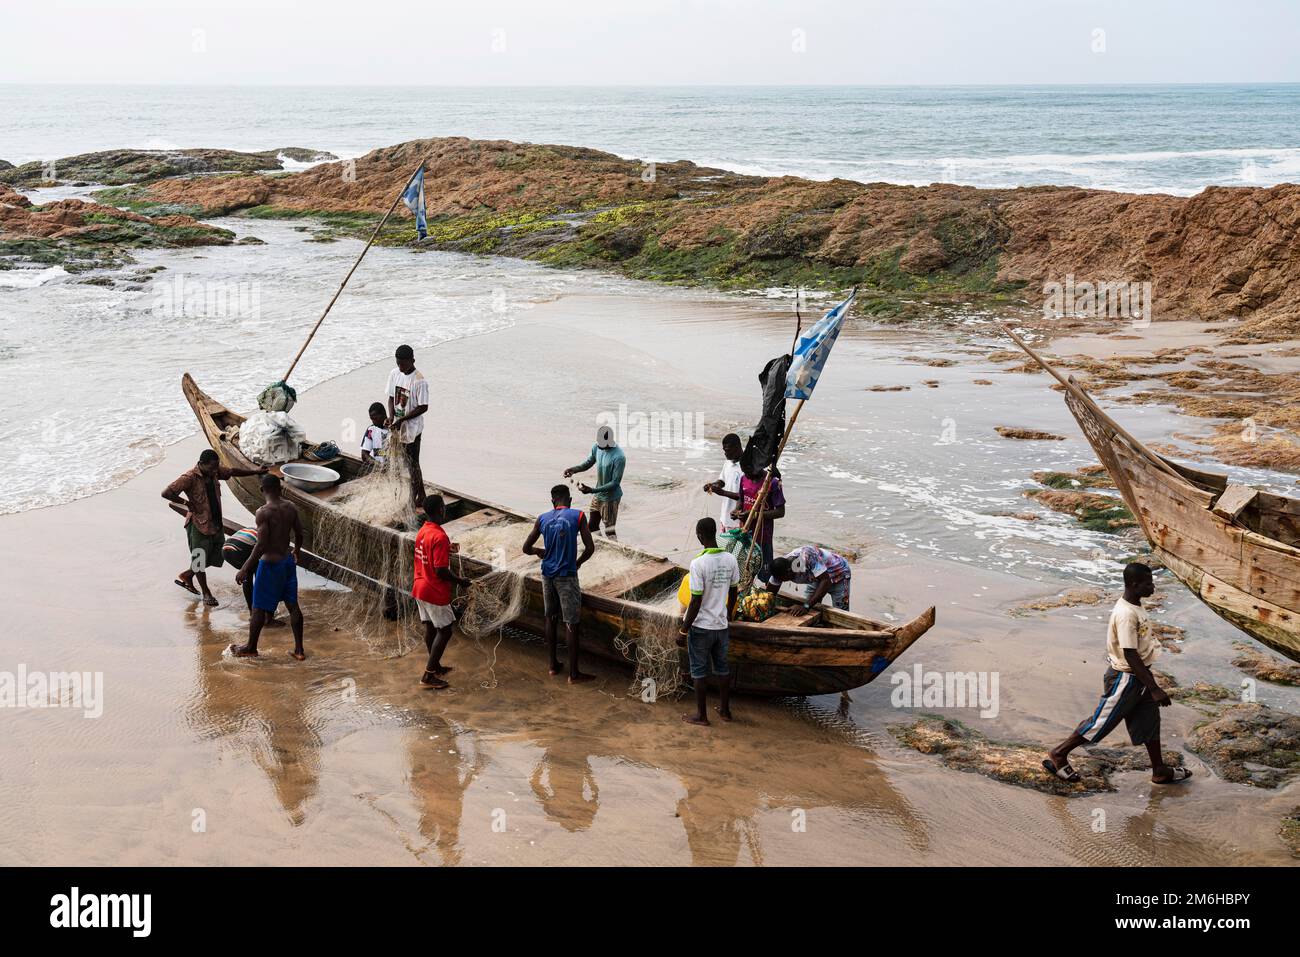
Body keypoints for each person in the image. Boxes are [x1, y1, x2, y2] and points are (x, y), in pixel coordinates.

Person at [1042, 563, 1192, 785]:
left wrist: (1149, 683)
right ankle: (1059, 754)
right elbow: (1129, 654)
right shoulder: (1125, 614)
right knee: (1102, 722)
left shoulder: (1136, 606)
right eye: (1148, 583)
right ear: (1134, 584)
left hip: (1140, 676)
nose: (1153, 587)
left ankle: (1159, 769)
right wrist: (1154, 688)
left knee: (1149, 722)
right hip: (1126, 678)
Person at [162, 449, 266, 607]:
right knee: (199, 559)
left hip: (215, 523)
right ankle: (206, 593)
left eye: (216, 468)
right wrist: (186, 503)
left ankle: (187, 575)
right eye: (211, 468)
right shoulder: (189, 477)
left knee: (218, 555)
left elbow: (232, 471)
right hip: (199, 524)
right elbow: (167, 492)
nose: (214, 471)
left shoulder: (214, 472)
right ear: (201, 464)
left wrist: (255, 471)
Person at [522, 484, 596, 683]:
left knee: (550, 617)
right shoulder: (578, 516)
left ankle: (553, 665)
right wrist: (577, 563)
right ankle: (574, 674)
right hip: (566, 575)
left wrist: (539, 551)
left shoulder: (543, 518)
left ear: (553, 502)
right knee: (571, 622)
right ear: (569, 500)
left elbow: (526, 547)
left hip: (547, 574)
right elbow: (590, 548)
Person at [231, 474, 306, 660]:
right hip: (287, 561)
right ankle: (299, 650)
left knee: (258, 608)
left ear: (262, 490)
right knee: (293, 606)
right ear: (280, 488)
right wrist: (296, 550)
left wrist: (245, 568)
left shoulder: (264, 512)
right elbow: (299, 532)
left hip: (270, 564)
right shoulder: (290, 507)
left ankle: (250, 647)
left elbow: (261, 545)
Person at [678, 517, 739, 726]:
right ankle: (725, 711)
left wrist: (683, 630)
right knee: (723, 669)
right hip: (721, 627)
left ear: (700, 536)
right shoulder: (730, 559)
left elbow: (695, 601)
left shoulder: (698, 563)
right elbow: (734, 590)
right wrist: (728, 613)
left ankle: (701, 716)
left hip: (701, 627)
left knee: (699, 672)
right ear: (715, 533)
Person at [414, 494, 471, 690]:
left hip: (419, 586)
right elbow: (440, 571)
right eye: (443, 507)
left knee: (430, 627)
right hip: (433, 590)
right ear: (441, 510)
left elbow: (428, 554)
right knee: (445, 630)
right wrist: (460, 581)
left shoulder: (423, 531)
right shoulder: (439, 535)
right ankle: (428, 675)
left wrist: (447, 549)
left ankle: (435, 667)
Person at [722, 460, 785, 579]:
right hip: (745, 532)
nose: (747, 475)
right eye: (744, 471)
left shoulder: (772, 482)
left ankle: (766, 592)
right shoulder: (744, 478)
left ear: (759, 465)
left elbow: (780, 512)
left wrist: (754, 514)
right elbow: (742, 498)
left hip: (763, 534)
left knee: (765, 570)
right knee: (744, 568)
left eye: (749, 471)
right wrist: (737, 510)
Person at [386, 344, 429, 507]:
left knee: (413, 462)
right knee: (407, 462)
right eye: (398, 363)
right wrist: (391, 417)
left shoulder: (419, 381)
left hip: (412, 429)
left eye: (403, 364)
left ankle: (416, 496)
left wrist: (403, 419)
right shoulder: (394, 373)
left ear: (412, 360)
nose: (400, 367)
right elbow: (391, 397)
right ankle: (421, 494)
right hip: (397, 425)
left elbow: (423, 406)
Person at [564, 425, 625, 539]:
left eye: (602, 443)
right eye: (598, 442)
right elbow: (588, 463)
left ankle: (613, 551)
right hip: (598, 494)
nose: (599, 445)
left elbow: (615, 483)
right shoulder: (597, 447)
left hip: (610, 498)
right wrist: (573, 470)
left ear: (609, 441)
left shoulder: (619, 457)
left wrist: (592, 490)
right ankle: (598, 547)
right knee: (592, 526)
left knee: (609, 530)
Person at [765, 544, 852, 614]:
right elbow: (770, 592)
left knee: (841, 612)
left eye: (782, 580)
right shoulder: (779, 568)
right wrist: (766, 604)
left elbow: (826, 581)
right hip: (817, 577)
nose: (781, 581)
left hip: (839, 574)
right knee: (811, 607)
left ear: (789, 571)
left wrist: (806, 606)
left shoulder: (807, 557)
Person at [222, 527, 282, 628]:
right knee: (262, 580)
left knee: (248, 577)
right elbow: (263, 554)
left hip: (225, 550)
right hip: (242, 549)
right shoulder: (269, 537)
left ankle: (253, 613)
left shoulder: (254, 529)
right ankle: (267, 617)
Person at [703, 433, 744, 532]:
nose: (725, 453)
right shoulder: (728, 462)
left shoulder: (747, 467)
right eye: (724, 450)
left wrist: (722, 493)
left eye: (728, 450)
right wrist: (714, 485)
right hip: (725, 518)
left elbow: (745, 496)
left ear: (737, 447)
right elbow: (722, 480)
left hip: (738, 521)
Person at [360, 401, 390, 470]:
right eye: (372, 419)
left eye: (375, 418)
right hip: (378, 469)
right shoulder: (371, 429)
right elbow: (364, 454)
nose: (373, 422)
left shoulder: (395, 428)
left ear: (383, 414)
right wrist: (378, 464)